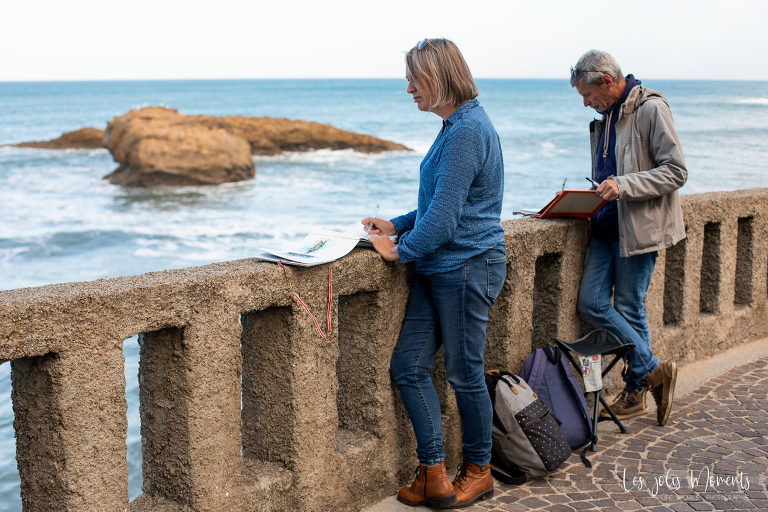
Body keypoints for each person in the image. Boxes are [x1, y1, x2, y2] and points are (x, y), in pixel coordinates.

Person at [362, 38, 506, 508]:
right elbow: (439, 202)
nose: (408, 89)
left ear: (438, 77)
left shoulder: (467, 130)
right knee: (408, 367)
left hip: (466, 268)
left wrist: (397, 253)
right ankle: (434, 474)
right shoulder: (454, 126)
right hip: (440, 268)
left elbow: (445, 222)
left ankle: (480, 471)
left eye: (413, 79)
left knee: (465, 375)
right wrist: (398, 225)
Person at [570, 50, 687, 426]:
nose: (586, 104)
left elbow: (676, 171)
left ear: (607, 80)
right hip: (604, 227)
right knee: (591, 302)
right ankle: (655, 371)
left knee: (630, 307)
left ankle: (637, 391)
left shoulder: (651, 109)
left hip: (639, 228)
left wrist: (623, 185)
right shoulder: (607, 116)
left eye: (587, 95)